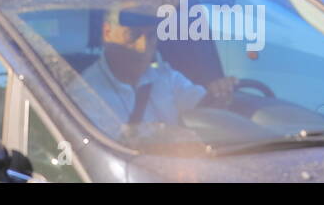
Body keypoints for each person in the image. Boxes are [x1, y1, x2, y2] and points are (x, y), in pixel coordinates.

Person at [66, 8, 238, 134]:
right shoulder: (84, 95)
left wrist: (218, 95)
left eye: (150, 36)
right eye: (132, 35)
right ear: (107, 32)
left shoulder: (165, 77)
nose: (143, 47)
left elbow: (202, 108)